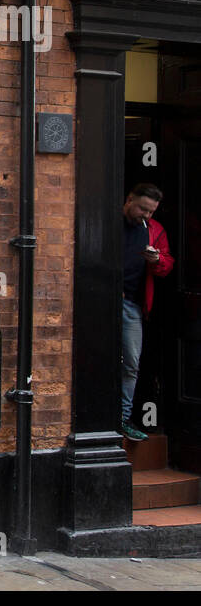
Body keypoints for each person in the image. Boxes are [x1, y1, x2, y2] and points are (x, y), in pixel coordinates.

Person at [120, 183, 174, 441]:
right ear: (129, 199)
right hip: (99, 303)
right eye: (143, 208)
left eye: (151, 211)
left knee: (131, 363)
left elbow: (166, 266)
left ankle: (122, 418)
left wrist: (157, 260)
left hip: (132, 304)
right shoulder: (109, 221)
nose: (146, 215)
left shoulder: (154, 230)